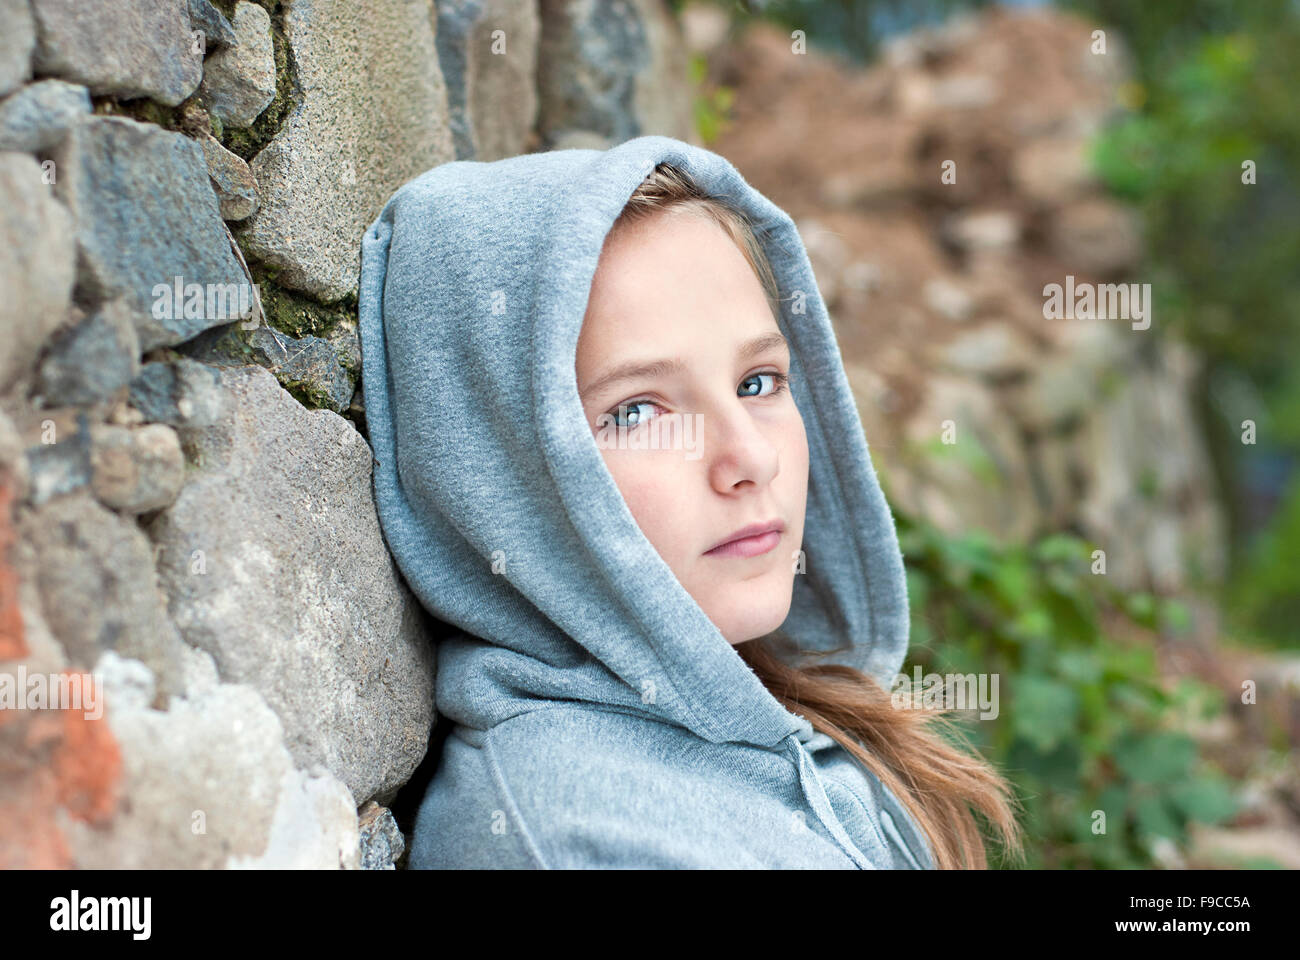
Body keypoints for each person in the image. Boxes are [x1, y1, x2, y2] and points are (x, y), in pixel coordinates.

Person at [358, 135, 1023, 868]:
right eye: (639, 411)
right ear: (500, 472)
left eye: (758, 382)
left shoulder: (792, 710)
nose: (751, 459)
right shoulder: (568, 840)